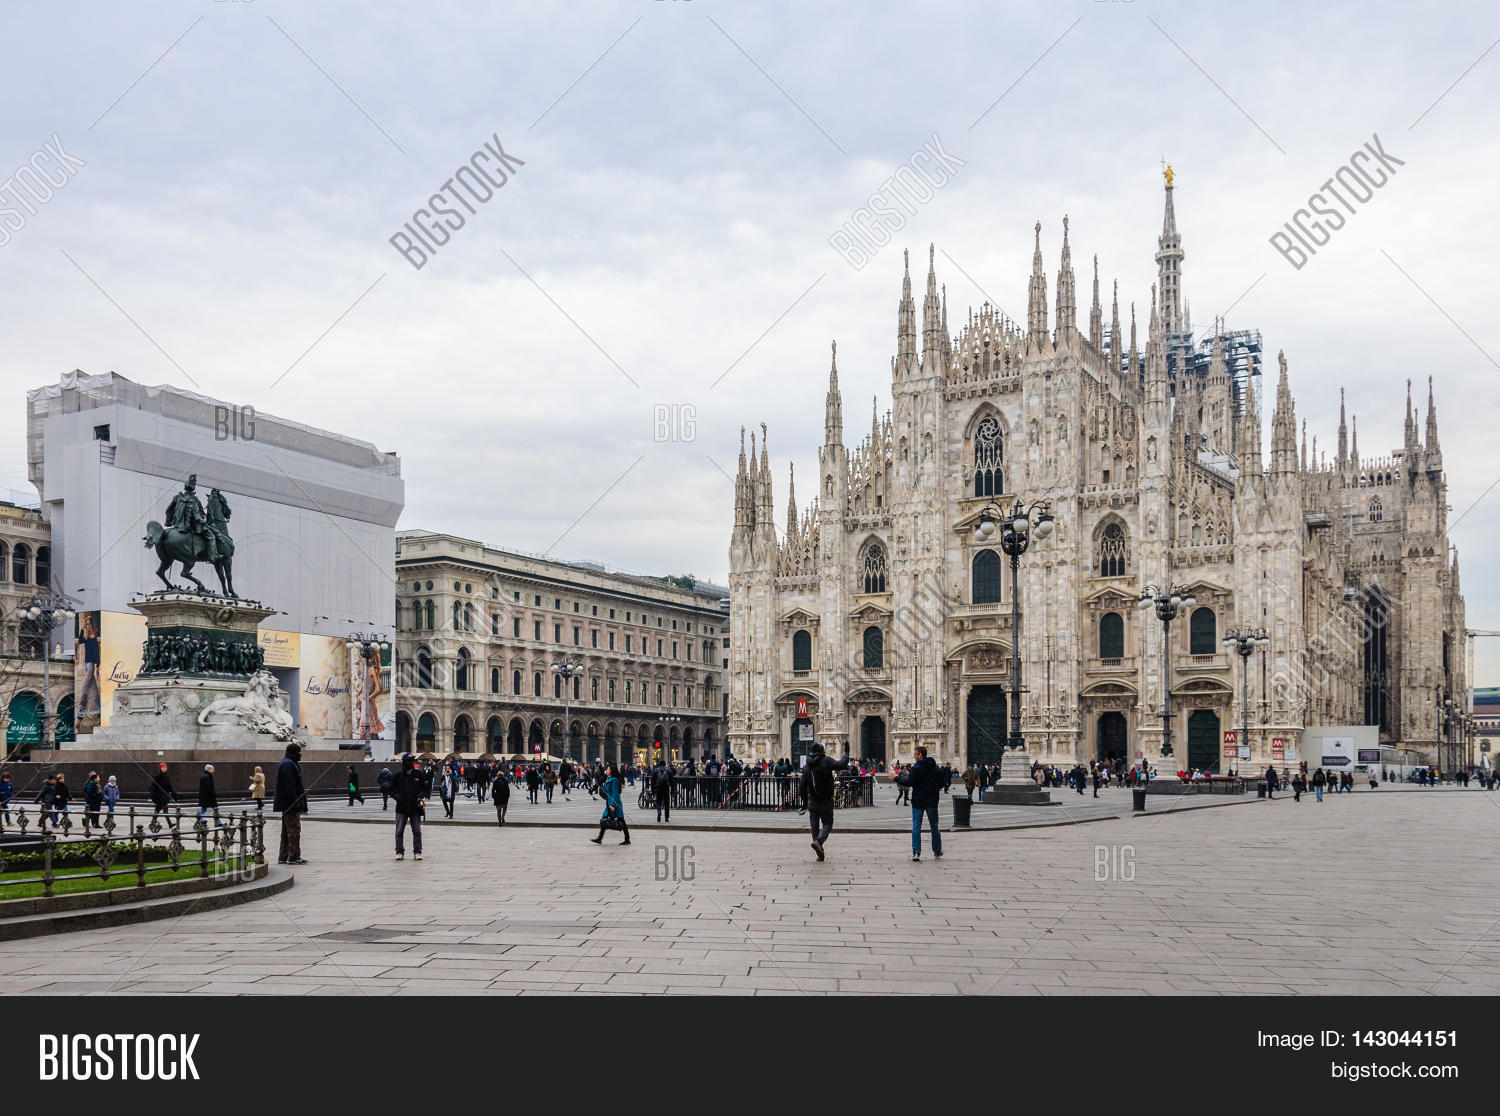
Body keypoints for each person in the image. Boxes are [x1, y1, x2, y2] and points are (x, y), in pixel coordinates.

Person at [798, 743, 850, 861]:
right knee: (827, 823)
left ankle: (819, 851)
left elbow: (801, 786)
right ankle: (819, 841)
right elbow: (841, 764)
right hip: (825, 799)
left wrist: (804, 803)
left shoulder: (806, 767)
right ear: (821, 751)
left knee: (814, 825)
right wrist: (846, 754)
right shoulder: (826, 761)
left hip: (813, 801)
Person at [896, 745, 944, 862]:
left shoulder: (916, 768)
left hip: (918, 800)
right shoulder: (936, 768)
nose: (914, 755)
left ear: (920, 755)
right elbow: (942, 783)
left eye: (915, 754)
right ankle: (937, 851)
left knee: (916, 826)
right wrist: (932, 789)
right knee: (934, 826)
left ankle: (916, 852)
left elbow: (908, 782)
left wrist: (896, 778)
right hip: (932, 800)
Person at [273, 742, 308, 865]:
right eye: (299, 753)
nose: (301, 755)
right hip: (290, 803)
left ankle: (283, 856)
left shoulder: (288, 763)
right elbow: (290, 787)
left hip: (287, 803)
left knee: (286, 831)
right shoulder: (288, 764)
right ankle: (293, 857)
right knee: (294, 830)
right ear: (294, 753)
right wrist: (296, 803)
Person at [390, 752, 427, 860]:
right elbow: (391, 790)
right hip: (401, 807)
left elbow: (424, 788)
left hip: (415, 806)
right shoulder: (398, 775)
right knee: (399, 831)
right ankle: (399, 851)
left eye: (413, 760)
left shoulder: (418, 774)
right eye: (410, 761)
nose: (412, 762)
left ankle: (417, 851)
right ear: (405, 762)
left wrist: (420, 796)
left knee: (417, 831)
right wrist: (398, 798)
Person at [590, 763, 630, 845]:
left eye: (608, 769)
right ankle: (599, 838)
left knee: (621, 821)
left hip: (614, 804)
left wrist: (613, 805)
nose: (606, 770)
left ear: (611, 771)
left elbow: (616, 793)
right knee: (604, 820)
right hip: (609, 803)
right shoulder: (610, 779)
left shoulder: (614, 780)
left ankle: (627, 839)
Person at [652, 758, 674, 823]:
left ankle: (659, 812)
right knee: (666, 802)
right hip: (666, 788)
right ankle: (666, 817)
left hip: (658, 788)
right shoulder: (668, 771)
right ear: (665, 764)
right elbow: (672, 782)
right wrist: (672, 790)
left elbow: (653, 782)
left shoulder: (655, 771)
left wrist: (653, 790)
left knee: (659, 801)